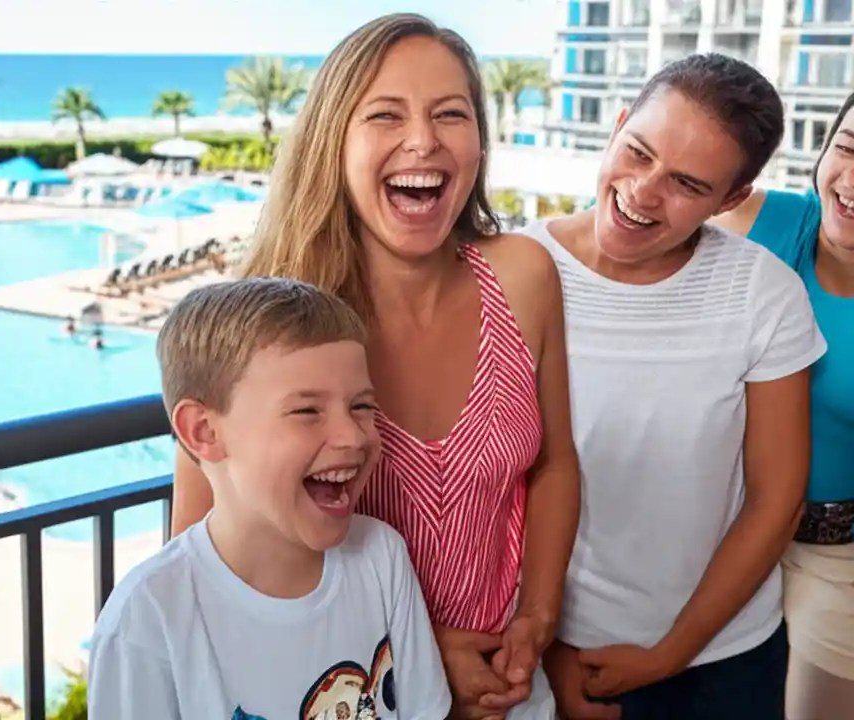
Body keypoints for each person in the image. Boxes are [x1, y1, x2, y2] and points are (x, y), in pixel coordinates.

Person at [168, 13, 579, 720]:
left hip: (511, 686)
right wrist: (423, 651)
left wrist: (536, 623)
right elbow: (204, 558)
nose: (423, 140)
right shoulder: (257, 328)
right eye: (385, 115)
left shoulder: (526, 277)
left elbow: (555, 465)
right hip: (353, 688)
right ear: (334, 141)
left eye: (451, 114)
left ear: (479, 142)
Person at [520, 54, 827, 719]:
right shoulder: (514, 268)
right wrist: (545, 646)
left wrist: (669, 653)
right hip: (543, 652)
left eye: (687, 183)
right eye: (638, 152)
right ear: (619, 124)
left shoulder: (761, 292)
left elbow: (775, 499)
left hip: (723, 660)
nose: (643, 192)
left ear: (732, 199)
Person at [87, 277, 452, 718]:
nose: (353, 435)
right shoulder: (146, 621)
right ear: (205, 431)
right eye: (306, 411)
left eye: (361, 406)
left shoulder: (381, 556)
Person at [710, 90, 854, 719]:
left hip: (837, 557)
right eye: (848, 149)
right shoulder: (769, 221)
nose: (852, 181)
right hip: (721, 527)